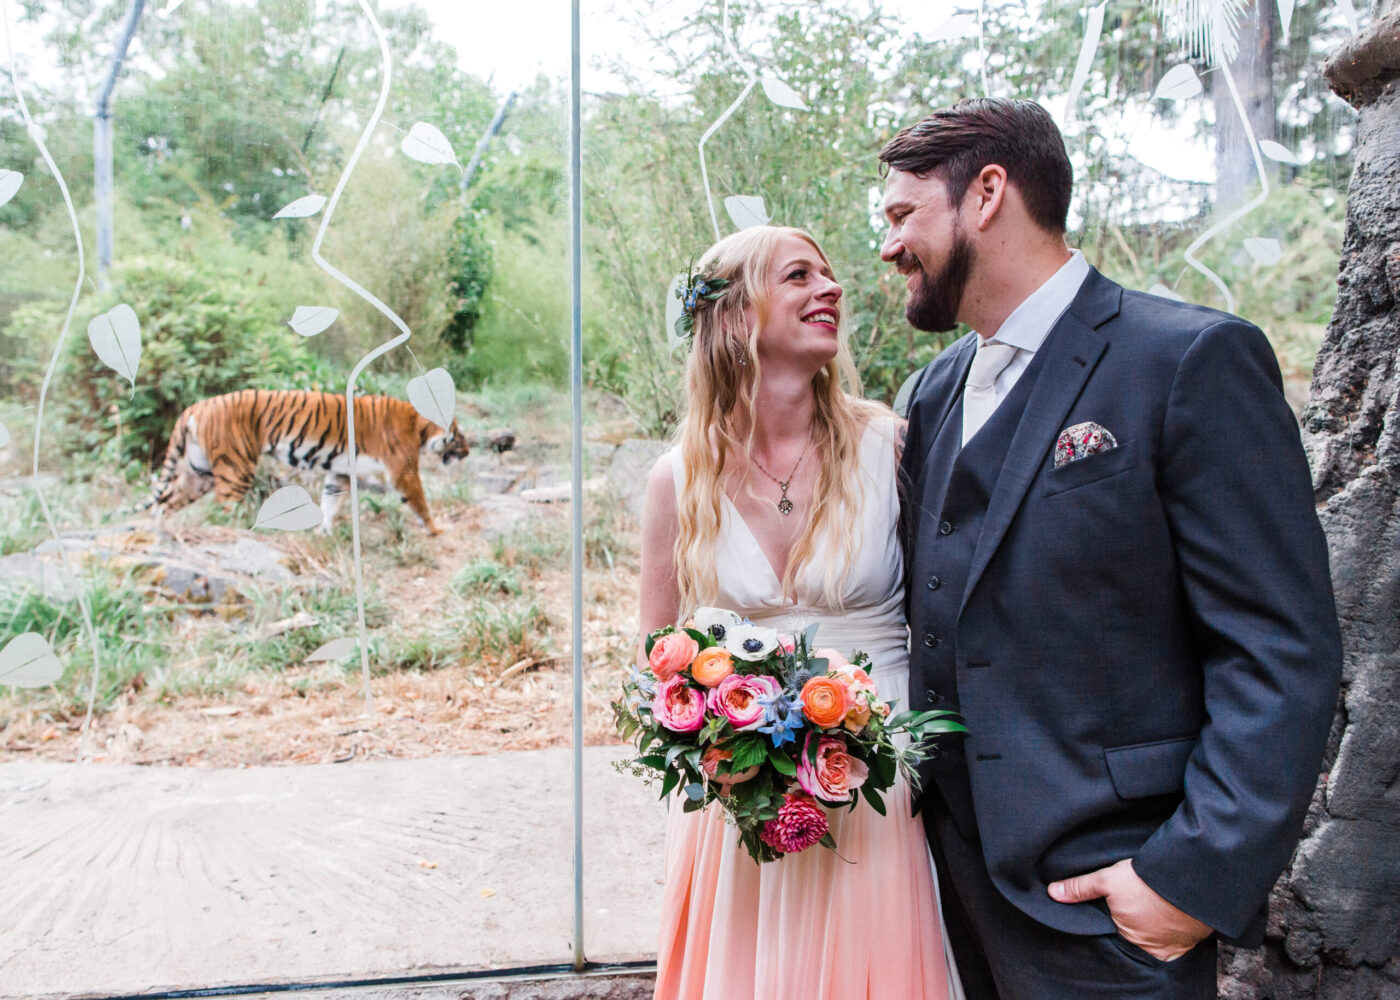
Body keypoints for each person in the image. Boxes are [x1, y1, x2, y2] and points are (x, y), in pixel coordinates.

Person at [881, 97, 1343, 998]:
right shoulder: (930, 395)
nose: (890, 244)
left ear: (986, 193)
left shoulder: (1188, 361)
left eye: (902, 215)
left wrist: (1186, 880)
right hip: (946, 892)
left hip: (1111, 897)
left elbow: (1279, 646)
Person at [638, 225, 962, 999]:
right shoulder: (676, 480)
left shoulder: (891, 448)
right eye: (798, 276)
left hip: (878, 784)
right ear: (737, 317)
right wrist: (723, 741)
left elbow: (953, 617)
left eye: (828, 271)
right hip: (741, 799)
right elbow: (653, 665)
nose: (831, 287)